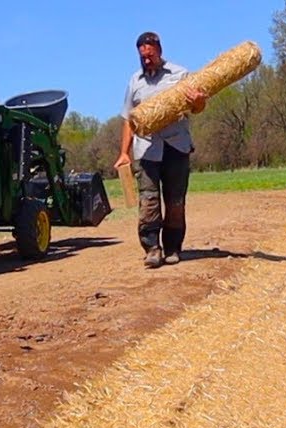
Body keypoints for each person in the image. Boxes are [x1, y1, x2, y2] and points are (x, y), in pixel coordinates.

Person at [115, 32, 208, 269]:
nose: (146, 60)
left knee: (175, 201)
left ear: (159, 50)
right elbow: (128, 119)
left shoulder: (180, 74)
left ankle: (173, 247)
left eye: (150, 55)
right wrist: (124, 153)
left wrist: (198, 100)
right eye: (142, 57)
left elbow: (197, 108)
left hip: (176, 146)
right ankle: (152, 249)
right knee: (148, 200)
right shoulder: (135, 82)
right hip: (147, 150)